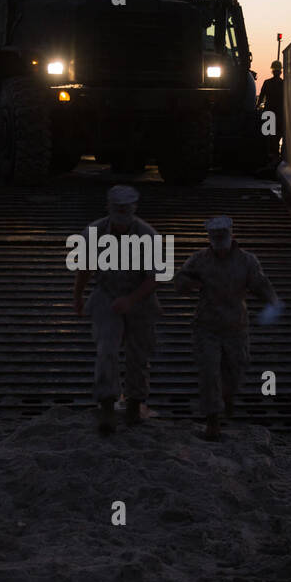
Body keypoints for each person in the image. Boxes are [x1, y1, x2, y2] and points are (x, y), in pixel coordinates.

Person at [175, 216, 283, 441]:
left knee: (235, 371)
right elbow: (180, 281)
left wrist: (273, 300)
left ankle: (228, 398)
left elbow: (260, 284)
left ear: (231, 235)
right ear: (209, 239)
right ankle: (212, 421)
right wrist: (191, 283)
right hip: (207, 326)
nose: (219, 241)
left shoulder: (247, 261)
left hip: (236, 326)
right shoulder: (199, 260)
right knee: (209, 373)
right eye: (214, 237)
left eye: (222, 236)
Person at [73, 184, 161, 433]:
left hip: (140, 297)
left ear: (134, 209)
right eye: (117, 208)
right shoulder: (93, 232)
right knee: (106, 351)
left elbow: (154, 278)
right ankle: (107, 405)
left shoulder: (148, 235)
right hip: (107, 294)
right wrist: (78, 296)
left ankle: (134, 403)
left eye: (126, 208)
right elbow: (86, 267)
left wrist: (131, 300)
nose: (122, 212)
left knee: (138, 354)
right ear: (109, 208)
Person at [256, 60, 285, 164]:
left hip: (272, 112)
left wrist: (257, 107)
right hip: (274, 113)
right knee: (272, 136)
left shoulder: (273, 83)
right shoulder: (283, 84)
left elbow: (261, 97)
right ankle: (272, 156)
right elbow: (262, 96)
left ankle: (271, 156)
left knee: (272, 136)